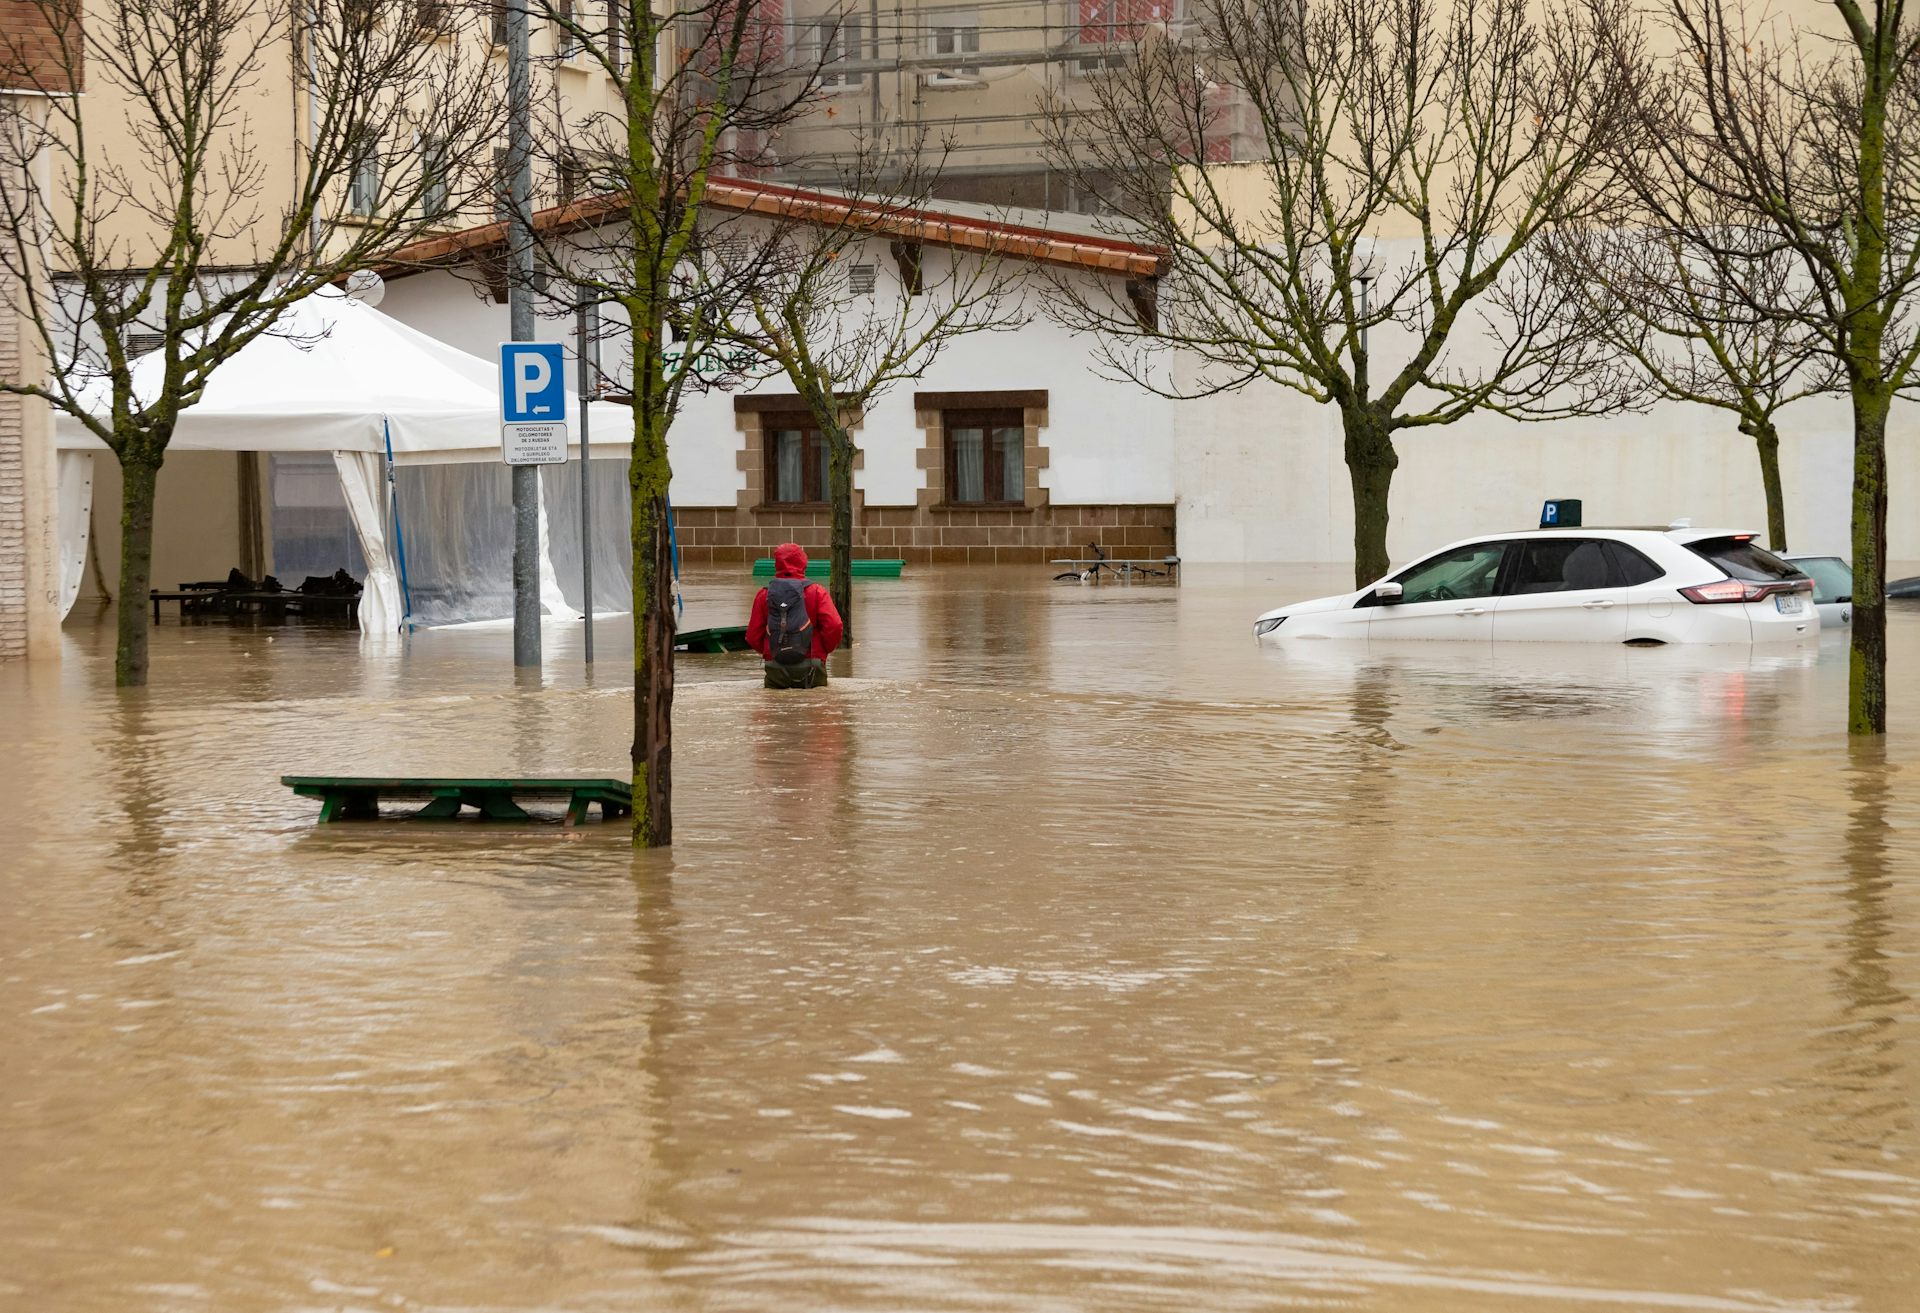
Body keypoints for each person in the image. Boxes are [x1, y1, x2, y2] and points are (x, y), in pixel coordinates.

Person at [745, 542, 843, 689]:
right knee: (816, 706)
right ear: (803, 562)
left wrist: (770, 652)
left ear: (776, 564)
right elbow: (834, 626)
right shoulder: (817, 592)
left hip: (775, 667)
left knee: (775, 709)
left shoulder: (764, 595)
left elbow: (752, 636)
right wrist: (822, 651)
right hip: (813, 665)